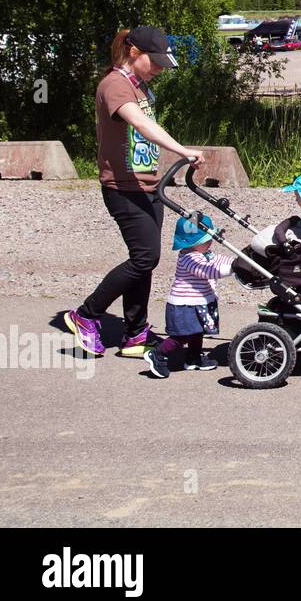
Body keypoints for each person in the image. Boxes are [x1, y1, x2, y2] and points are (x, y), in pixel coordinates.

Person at [63, 27, 201, 358]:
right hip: (123, 188)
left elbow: (144, 131)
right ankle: (86, 315)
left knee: (145, 261)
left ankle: (135, 333)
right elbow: (140, 124)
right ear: (134, 53)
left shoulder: (139, 85)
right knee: (145, 257)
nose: (158, 70)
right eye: (154, 63)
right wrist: (182, 150)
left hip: (147, 185)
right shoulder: (113, 85)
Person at [145, 216, 229, 378]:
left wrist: (239, 261)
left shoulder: (203, 253)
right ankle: (158, 353)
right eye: (206, 239)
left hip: (199, 302)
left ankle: (193, 358)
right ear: (192, 243)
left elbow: (219, 259)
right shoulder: (190, 258)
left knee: (197, 332)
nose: (210, 242)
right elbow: (206, 271)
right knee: (182, 336)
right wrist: (233, 268)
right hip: (185, 305)